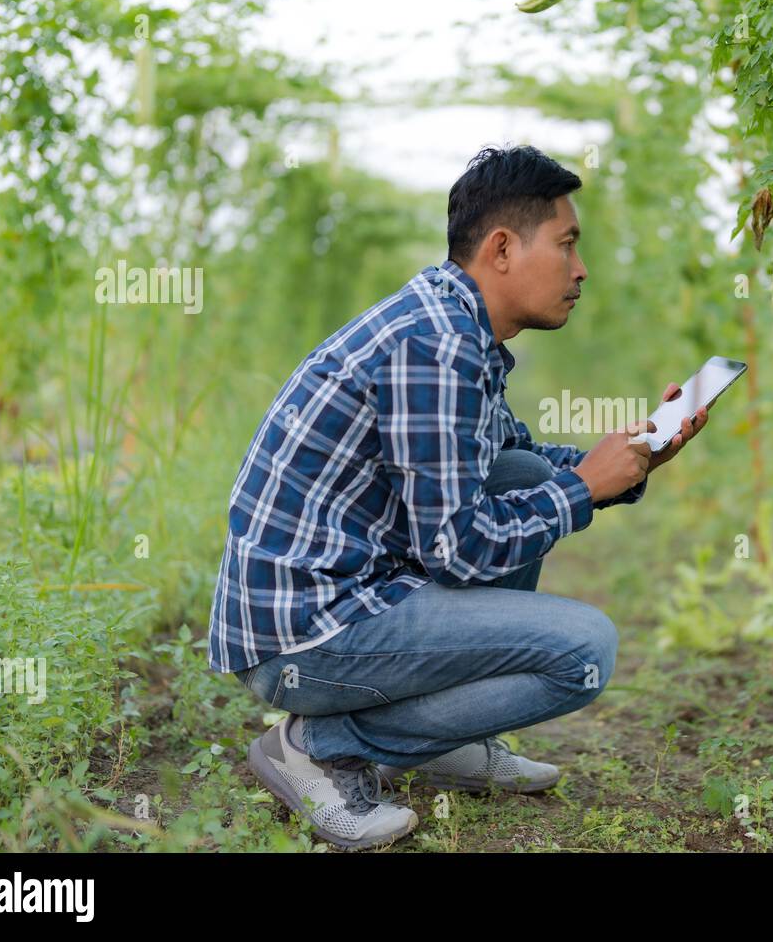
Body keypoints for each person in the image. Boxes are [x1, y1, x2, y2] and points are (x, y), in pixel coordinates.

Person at [206, 144, 710, 850]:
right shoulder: (433, 347)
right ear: (502, 249)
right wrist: (582, 486)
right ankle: (320, 744)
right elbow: (460, 551)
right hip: (305, 634)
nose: (580, 269)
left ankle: (442, 744)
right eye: (566, 245)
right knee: (584, 648)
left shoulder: (453, 328)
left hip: (346, 600)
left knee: (524, 477)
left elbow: (521, 466)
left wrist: (629, 460)